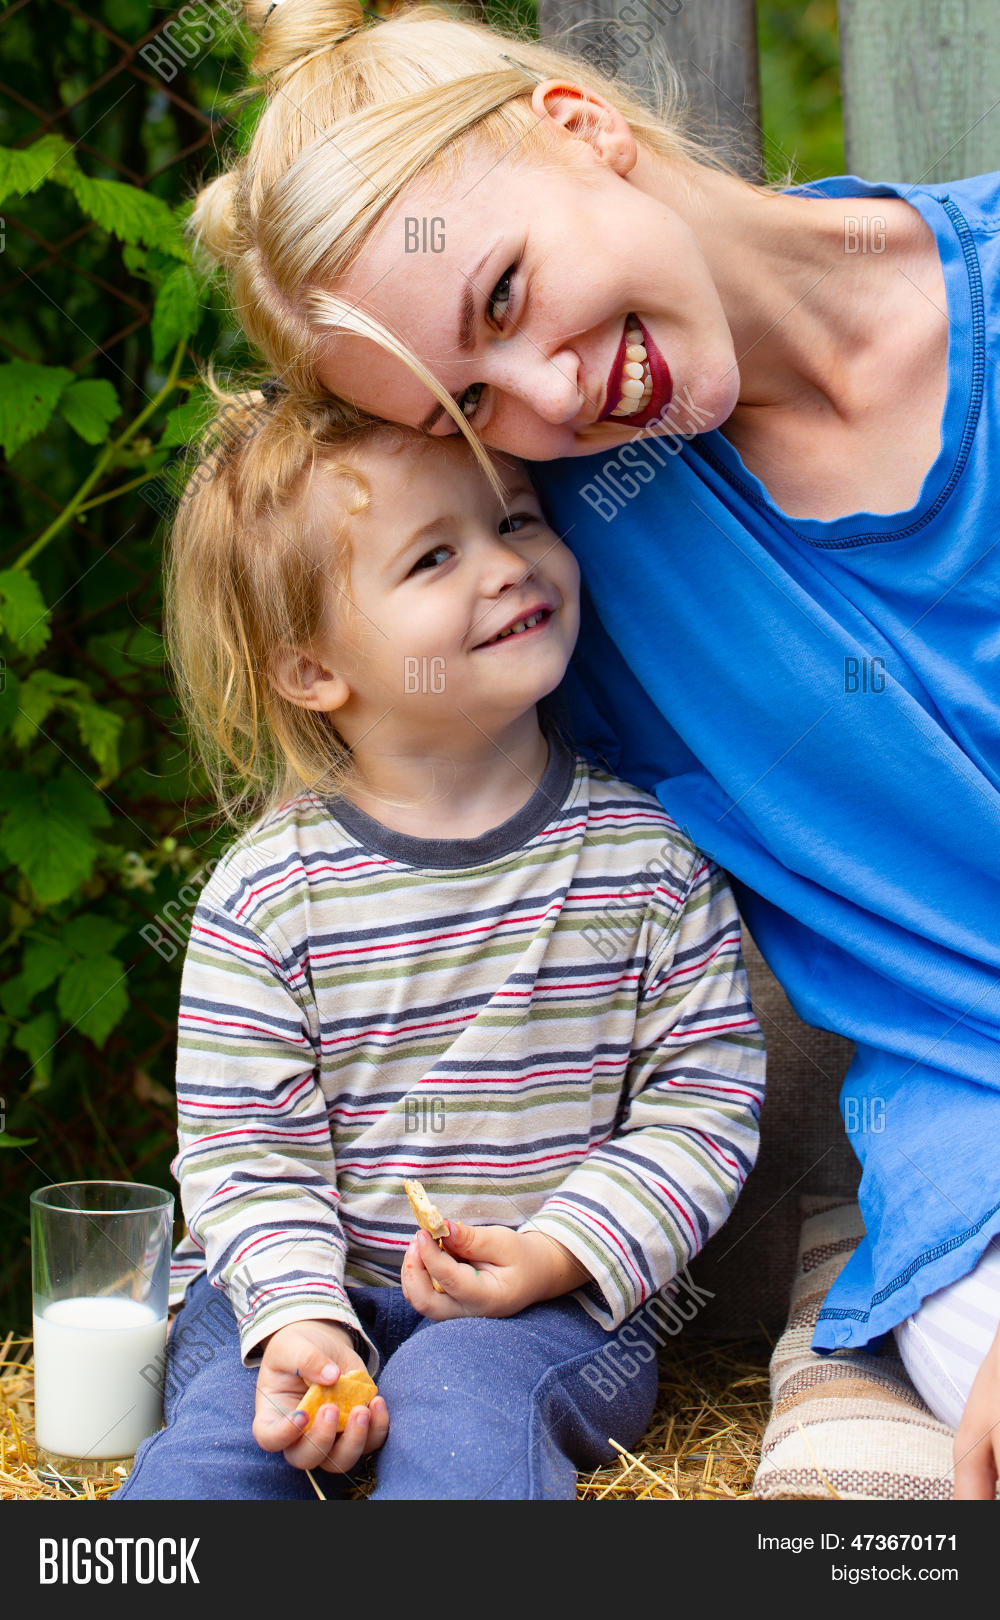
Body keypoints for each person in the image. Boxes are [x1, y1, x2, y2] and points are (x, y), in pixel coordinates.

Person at [183, 0, 1000, 1497]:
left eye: (505, 294)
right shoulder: (573, 556)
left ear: (581, 123)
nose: (557, 402)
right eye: (476, 408)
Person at [112, 382, 764, 1500]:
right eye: (432, 558)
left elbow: (701, 1108)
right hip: (290, 1290)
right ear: (314, 668)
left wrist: (557, 1252)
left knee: (464, 1409)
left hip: (544, 1310)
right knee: (221, 1441)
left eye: (515, 517)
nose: (506, 563)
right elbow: (243, 1156)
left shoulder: (648, 860)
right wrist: (299, 1319)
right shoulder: (265, 897)